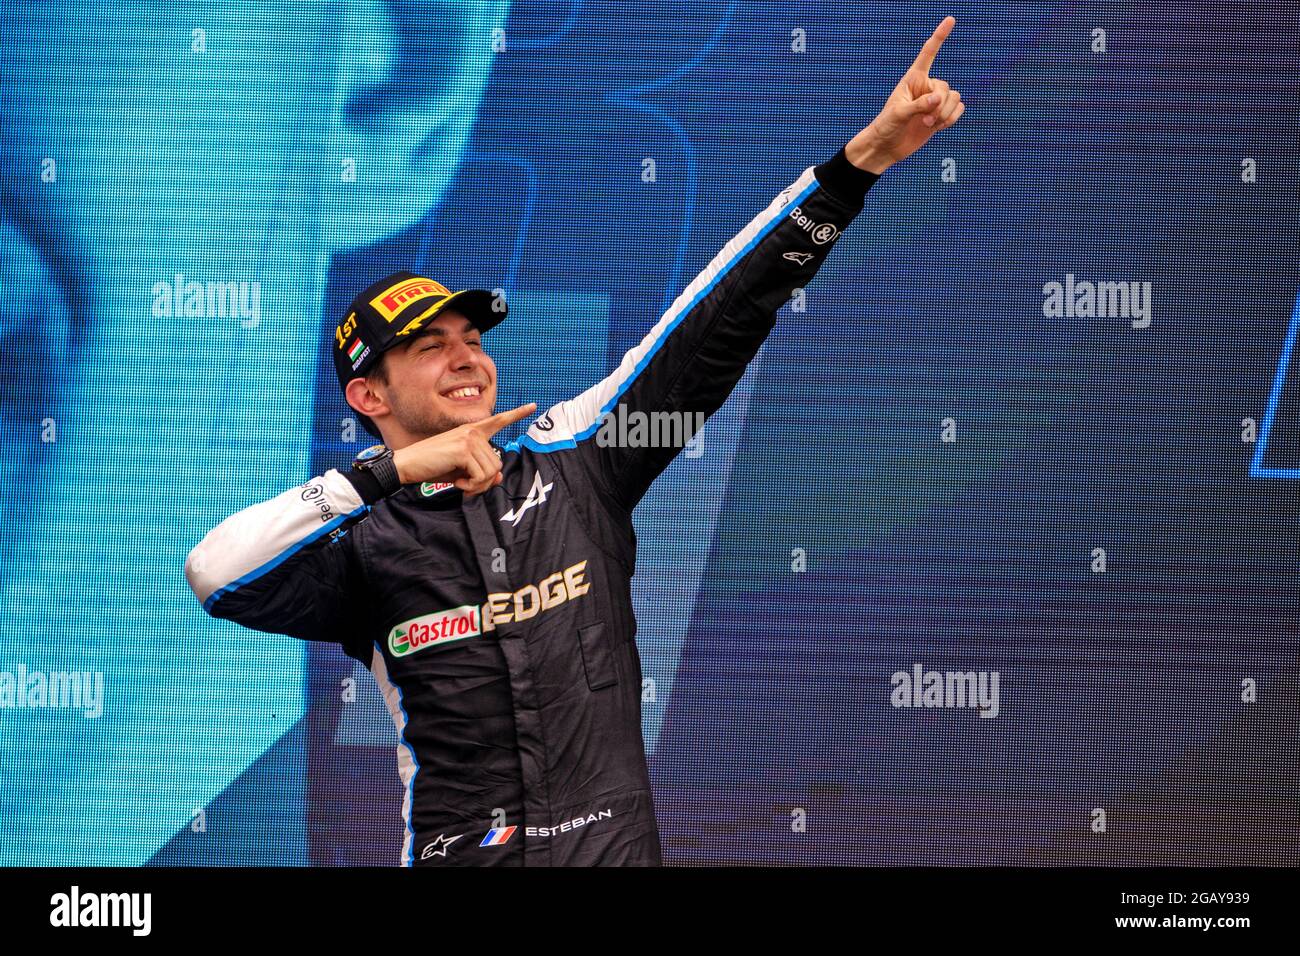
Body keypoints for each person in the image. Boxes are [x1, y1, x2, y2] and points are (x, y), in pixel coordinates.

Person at [185, 17, 966, 866]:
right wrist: (393, 472)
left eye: (473, 339)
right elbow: (214, 572)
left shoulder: (578, 452)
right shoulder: (363, 545)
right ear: (368, 394)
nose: (466, 358)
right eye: (428, 347)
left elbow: (718, 312)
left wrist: (857, 170)